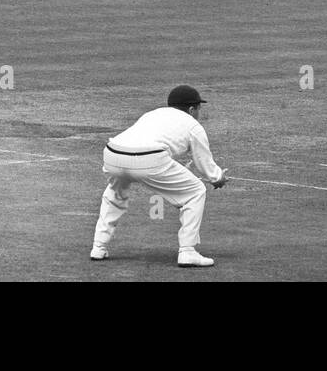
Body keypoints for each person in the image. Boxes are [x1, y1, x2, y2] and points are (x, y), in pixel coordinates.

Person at [90, 85, 228, 267]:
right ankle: (188, 251)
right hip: (148, 160)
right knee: (196, 191)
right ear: (192, 109)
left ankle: (98, 247)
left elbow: (146, 141)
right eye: (198, 109)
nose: (199, 113)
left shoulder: (153, 114)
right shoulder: (194, 125)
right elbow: (204, 164)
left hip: (113, 154)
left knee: (114, 194)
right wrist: (217, 178)